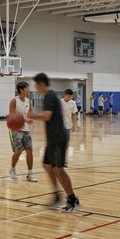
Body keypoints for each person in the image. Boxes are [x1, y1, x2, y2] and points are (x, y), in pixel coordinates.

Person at [27, 73, 81, 212]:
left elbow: (47, 115)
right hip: (53, 138)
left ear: (42, 84)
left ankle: (73, 200)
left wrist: (32, 115)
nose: (36, 88)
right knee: (46, 165)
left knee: (58, 169)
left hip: (58, 138)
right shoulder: (49, 96)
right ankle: (57, 195)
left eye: (36, 85)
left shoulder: (50, 96)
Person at [9, 82, 37, 182]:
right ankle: (12, 169)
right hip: (16, 128)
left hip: (26, 129)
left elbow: (30, 113)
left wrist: (33, 117)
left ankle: (30, 173)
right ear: (21, 89)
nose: (28, 90)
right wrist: (25, 120)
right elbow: (12, 115)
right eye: (27, 88)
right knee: (19, 151)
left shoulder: (28, 101)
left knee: (30, 151)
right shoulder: (14, 101)